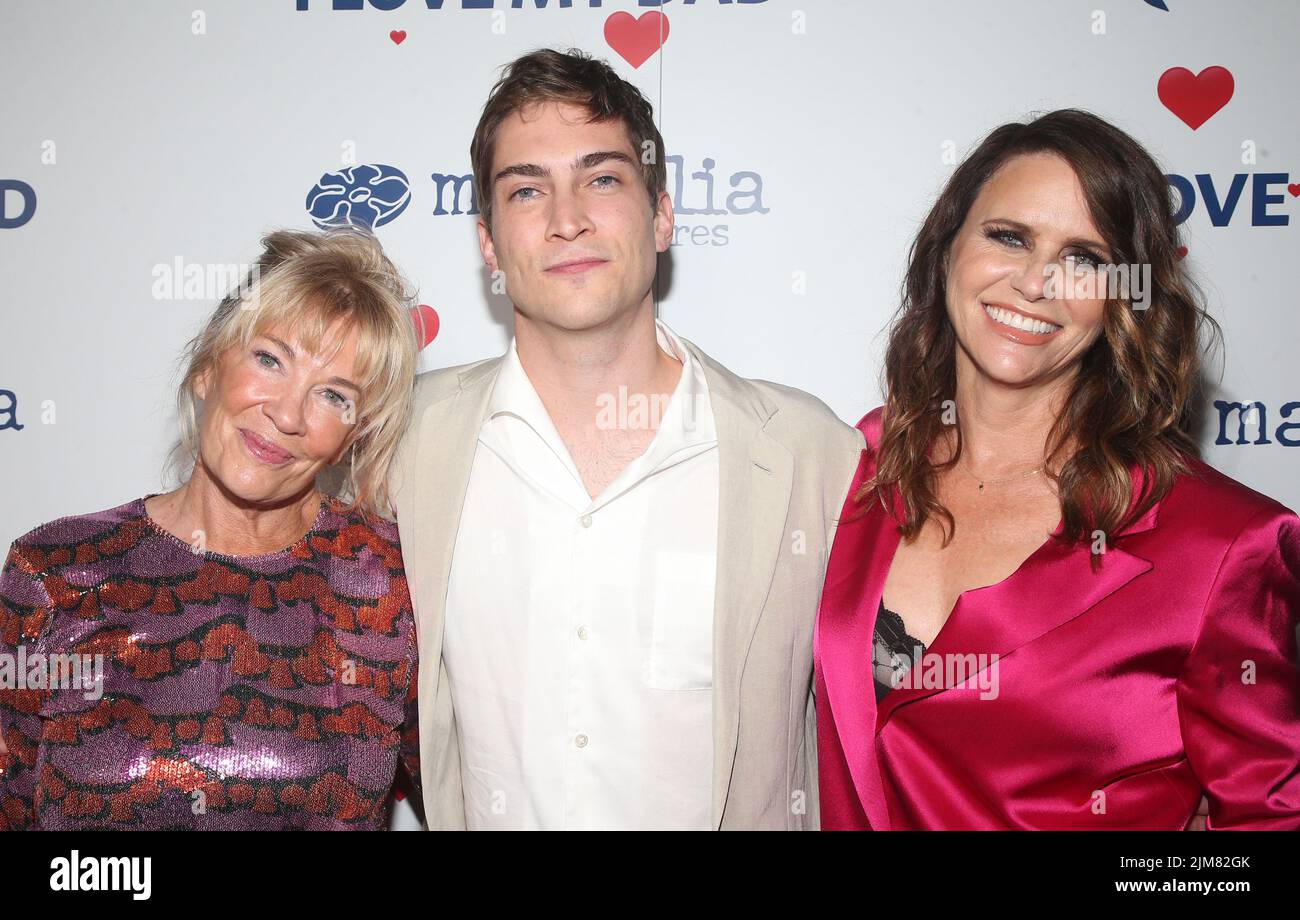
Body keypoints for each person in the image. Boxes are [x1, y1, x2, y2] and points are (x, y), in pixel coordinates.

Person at [390, 48, 864, 830]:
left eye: (602, 179)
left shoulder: (812, 457)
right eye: (526, 189)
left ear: (664, 214)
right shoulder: (401, 449)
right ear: (487, 243)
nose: (566, 217)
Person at [815, 109, 1300, 830]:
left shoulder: (1227, 544)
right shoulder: (849, 469)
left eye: (1085, 260)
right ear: (947, 250)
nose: (1037, 282)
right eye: (1009, 237)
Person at [0, 227, 422, 830]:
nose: (286, 414)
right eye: (269, 359)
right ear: (208, 365)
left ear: (353, 438)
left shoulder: (392, 582)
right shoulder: (57, 571)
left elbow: (468, 796)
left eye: (333, 395)